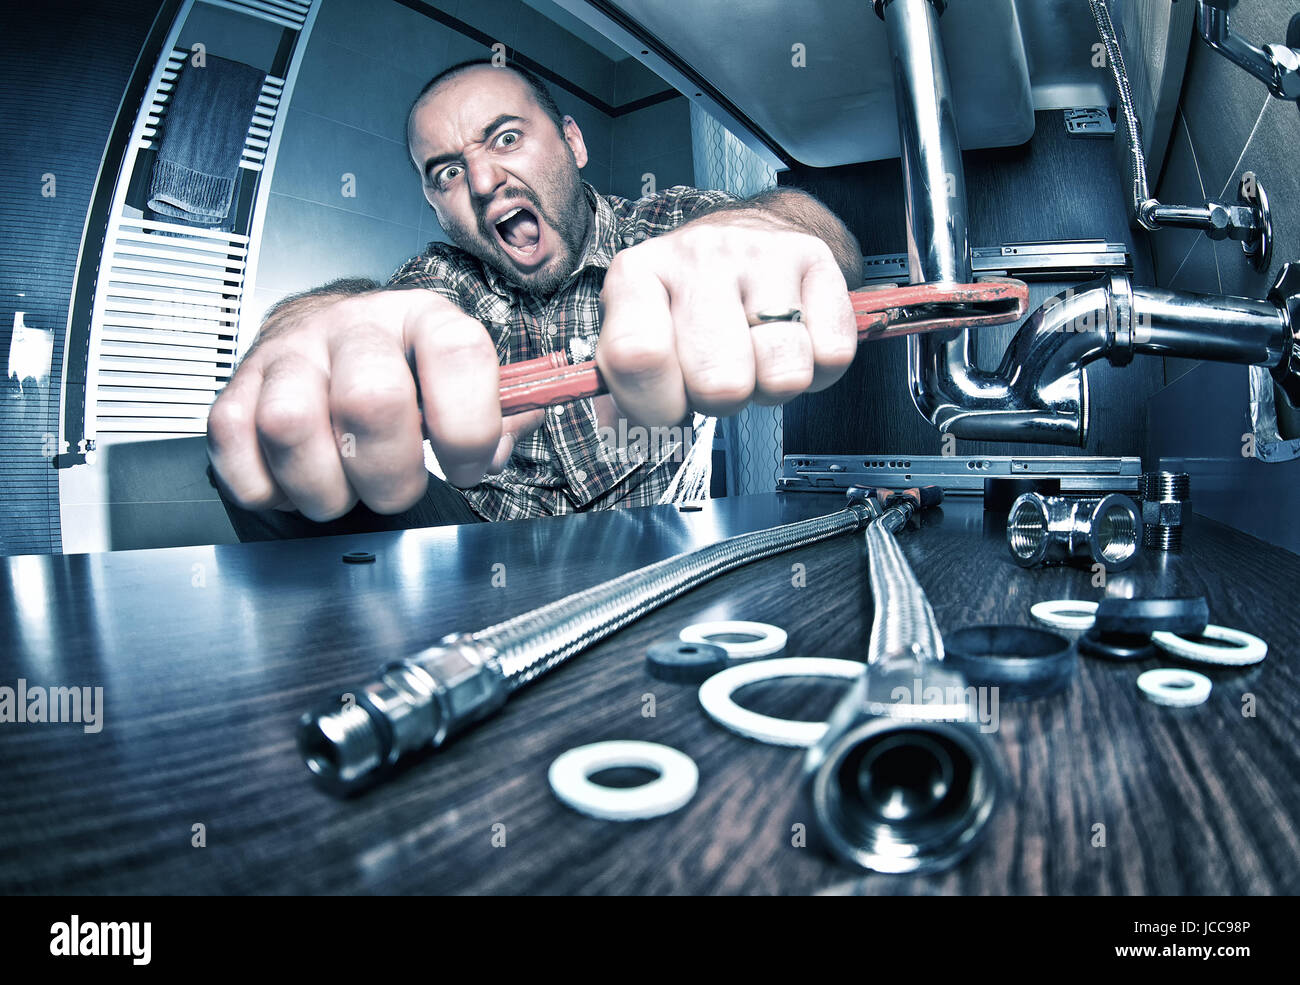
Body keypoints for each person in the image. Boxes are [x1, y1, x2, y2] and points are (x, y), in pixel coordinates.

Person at [208, 59, 863, 541]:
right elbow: (366, 311)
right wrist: (306, 333)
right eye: (449, 171)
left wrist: (768, 234)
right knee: (269, 473)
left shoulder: (666, 227)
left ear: (574, 143)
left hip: (651, 545)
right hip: (485, 554)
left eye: (506, 138)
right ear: (436, 206)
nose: (486, 180)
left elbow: (817, 239)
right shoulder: (445, 280)